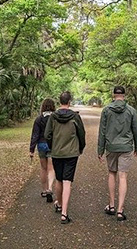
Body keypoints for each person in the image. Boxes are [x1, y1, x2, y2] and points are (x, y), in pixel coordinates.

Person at [97, 85, 137, 221]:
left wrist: (100, 149)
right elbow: (136, 130)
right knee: (123, 177)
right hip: (126, 147)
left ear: (113, 94)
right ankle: (120, 210)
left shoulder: (106, 110)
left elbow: (102, 131)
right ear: (124, 95)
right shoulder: (131, 111)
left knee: (112, 173)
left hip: (111, 146)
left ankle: (111, 205)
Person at [44, 91, 86, 224]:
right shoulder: (75, 117)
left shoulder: (53, 117)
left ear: (59, 101)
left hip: (57, 152)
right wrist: (80, 148)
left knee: (59, 180)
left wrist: (53, 146)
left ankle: (60, 204)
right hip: (71, 153)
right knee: (68, 181)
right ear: (69, 102)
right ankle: (64, 214)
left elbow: (47, 134)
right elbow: (81, 134)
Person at [29, 98, 56, 203]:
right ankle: (50, 188)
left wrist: (31, 150)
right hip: (52, 145)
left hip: (41, 144)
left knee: (43, 168)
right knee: (51, 168)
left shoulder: (39, 119)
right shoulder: (55, 118)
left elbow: (35, 135)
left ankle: (44, 190)